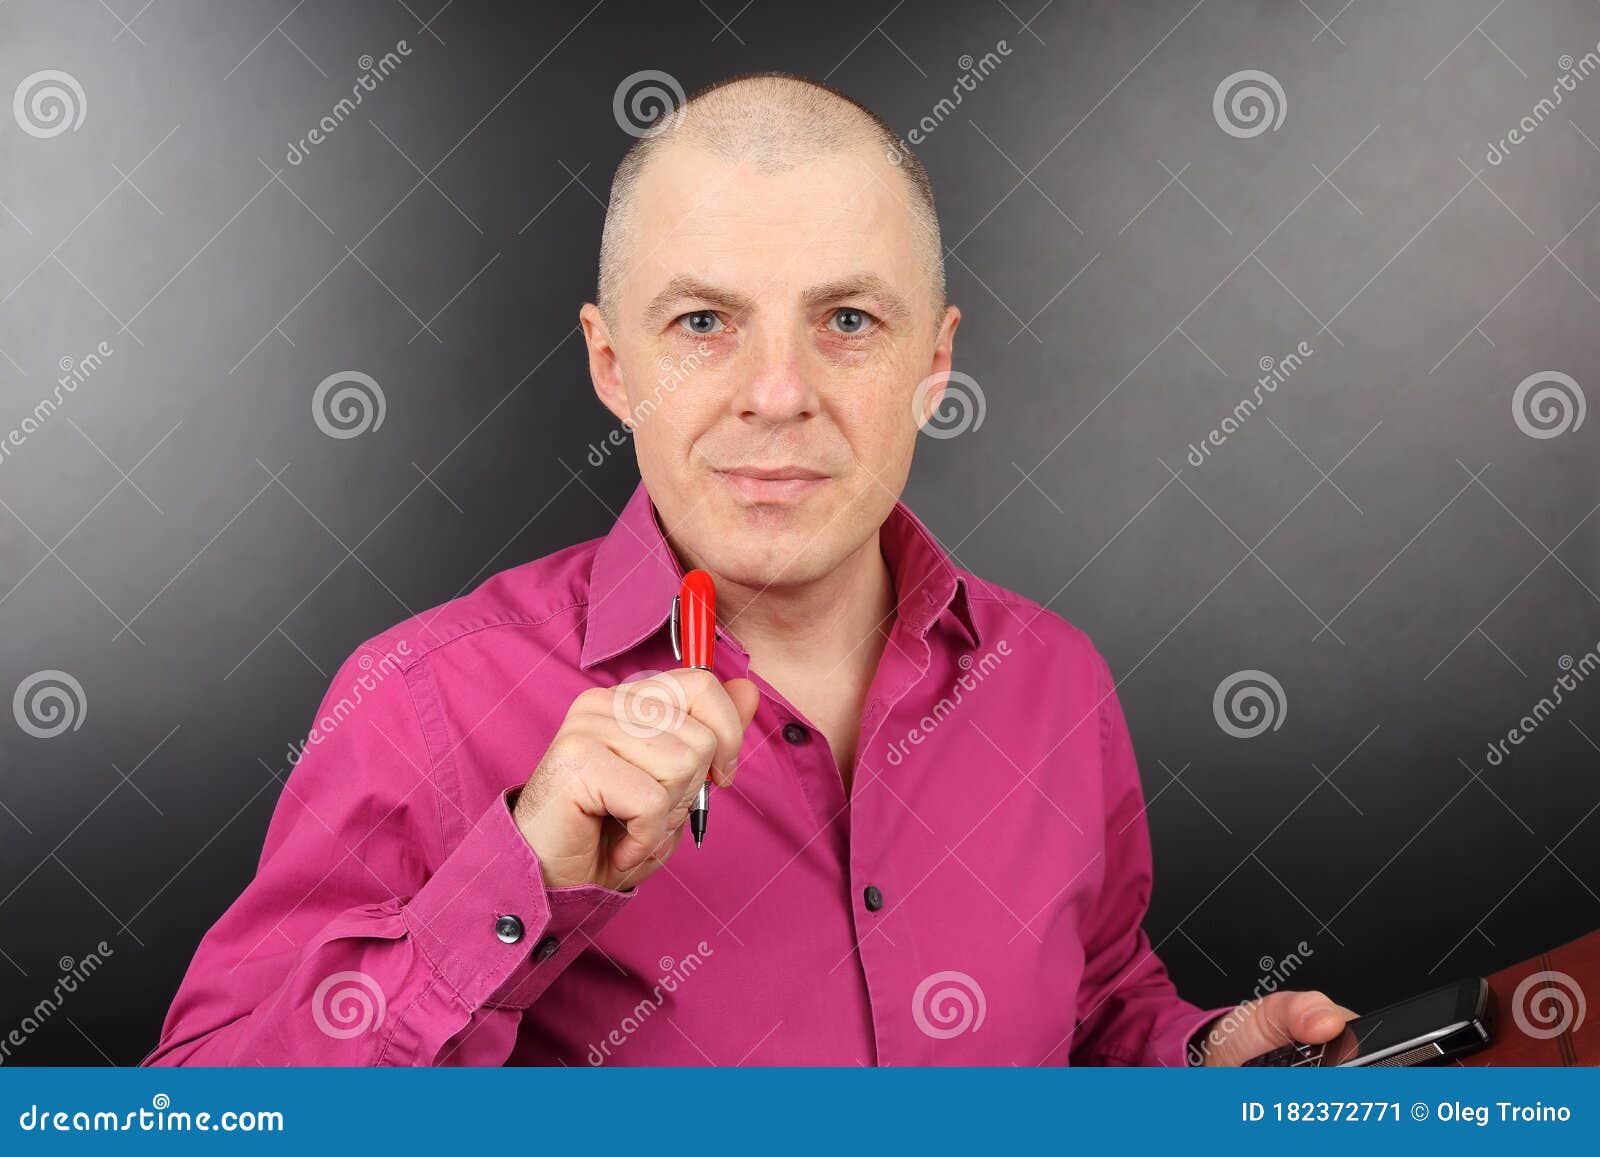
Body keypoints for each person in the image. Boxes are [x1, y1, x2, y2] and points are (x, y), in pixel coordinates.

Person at [145, 72, 1353, 1066]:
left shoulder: (1053, 680)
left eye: (847, 322)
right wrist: (521, 872)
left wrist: (1190, 1059)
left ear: (934, 365)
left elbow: (1088, 1009)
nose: (777, 396)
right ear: (613, 366)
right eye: (703, 323)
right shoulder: (417, 702)